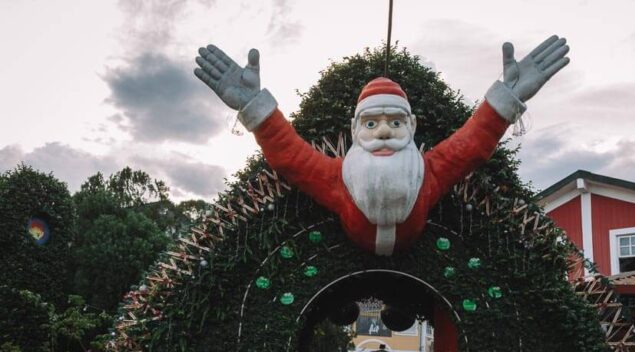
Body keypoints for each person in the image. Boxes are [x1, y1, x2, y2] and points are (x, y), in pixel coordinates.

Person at [194, 37, 569, 255]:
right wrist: (253, 105)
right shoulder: (340, 178)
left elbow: (470, 146)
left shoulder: (427, 172)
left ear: (412, 125)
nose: (385, 132)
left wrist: (506, 99)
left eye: (395, 122)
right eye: (372, 123)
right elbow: (291, 157)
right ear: (356, 129)